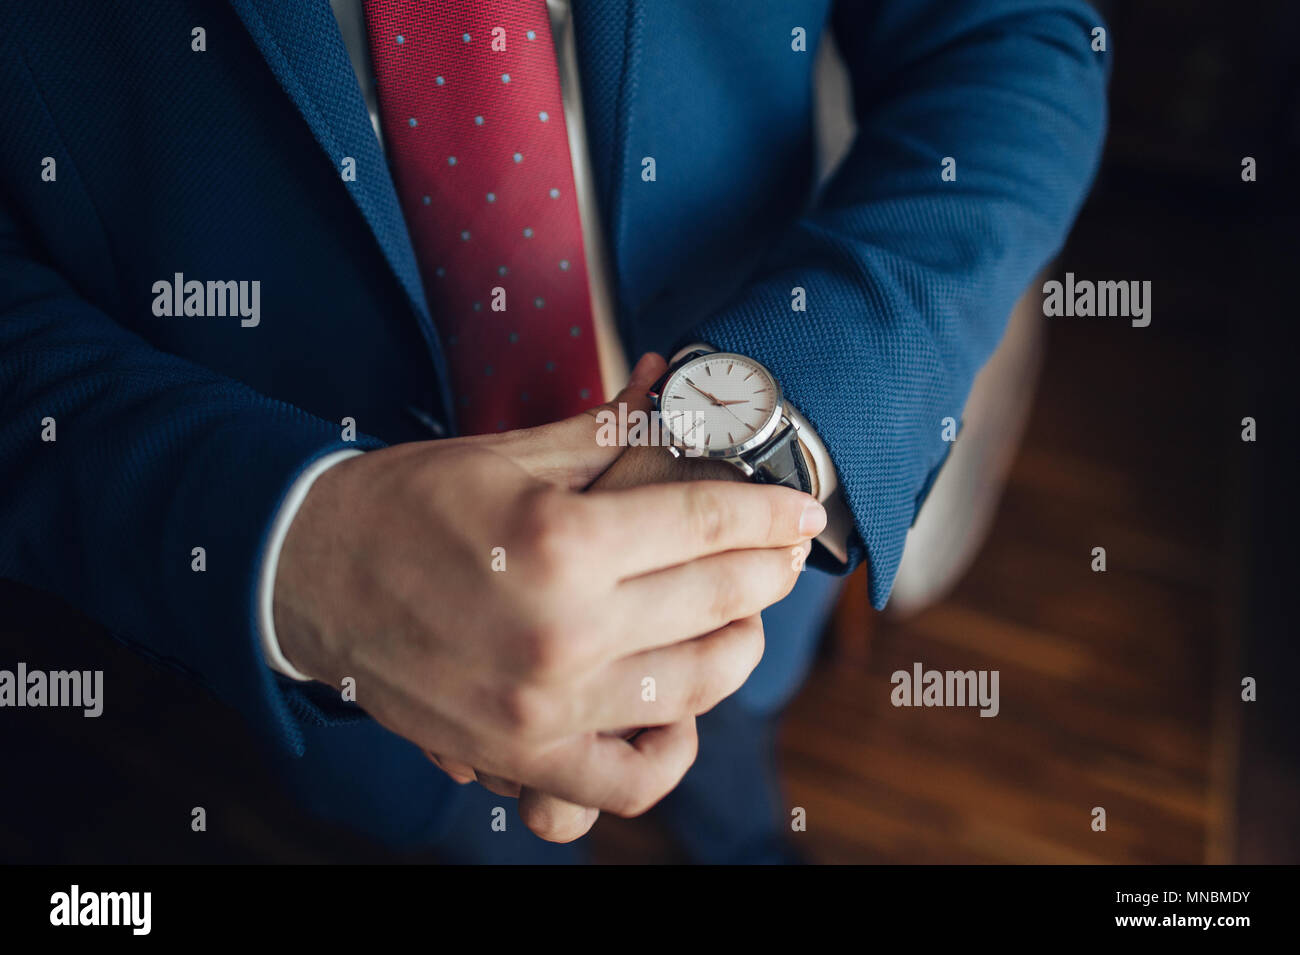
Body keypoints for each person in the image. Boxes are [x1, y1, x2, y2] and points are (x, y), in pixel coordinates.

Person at [0, 0, 1107, 862]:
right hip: (343, 664)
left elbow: (1013, 34)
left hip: (757, 533)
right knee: (485, 840)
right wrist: (292, 545)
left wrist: (788, 414)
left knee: (734, 771)